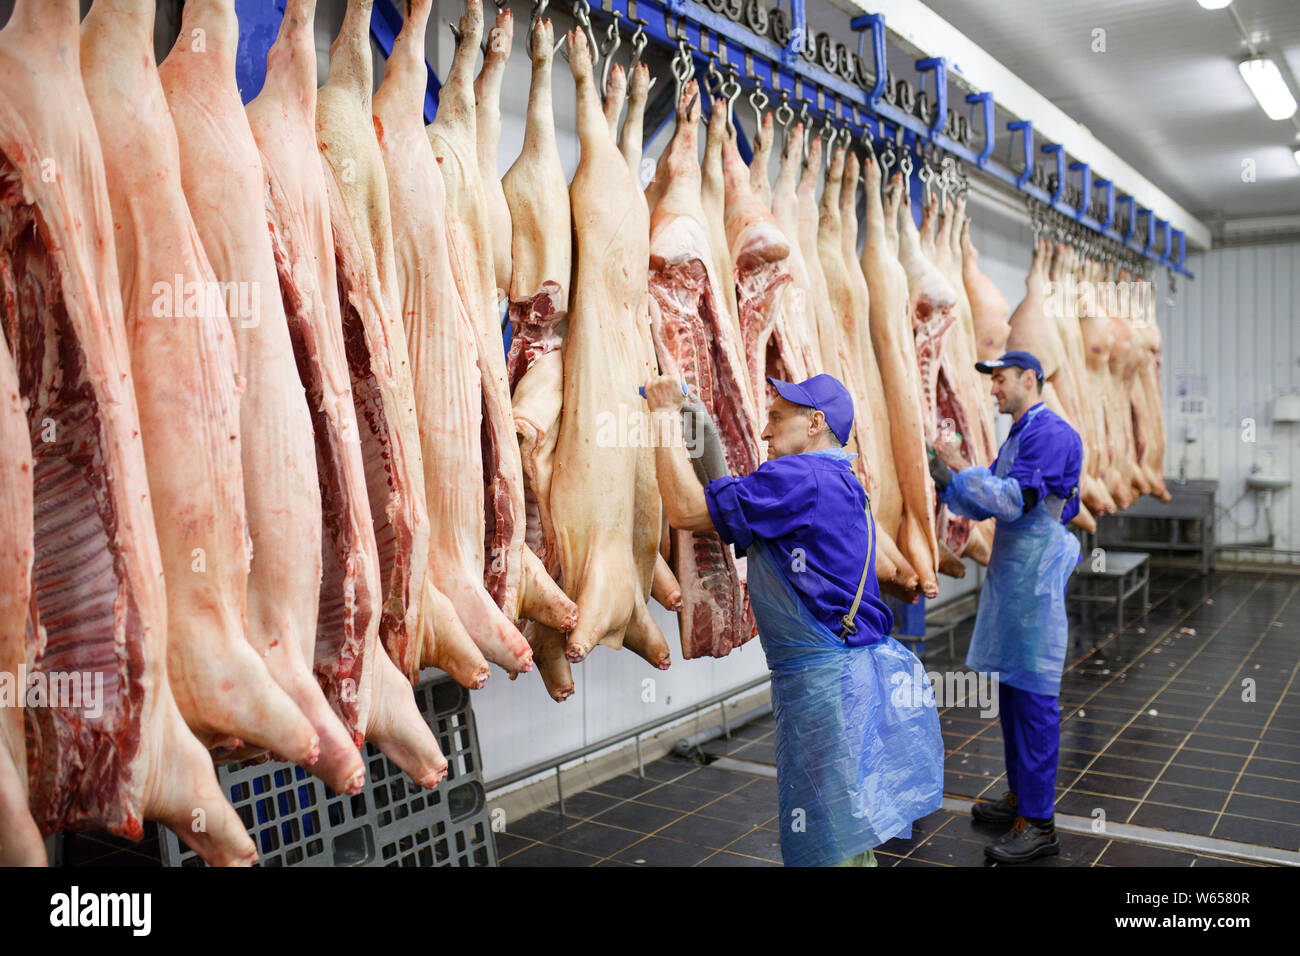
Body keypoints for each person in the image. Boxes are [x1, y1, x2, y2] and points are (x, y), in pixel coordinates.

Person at [643, 372, 943, 868]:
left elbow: (684, 510)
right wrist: (694, 421)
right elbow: (729, 498)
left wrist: (658, 416)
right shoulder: (839, 478)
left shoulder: (799, 477)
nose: (764, 432)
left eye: (776, 418)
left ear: (815, 423)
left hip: (826, 686)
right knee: (846, 822)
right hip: (845, 677)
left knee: (825, 835)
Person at [928, 349, 1083, 864]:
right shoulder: (1019, 435)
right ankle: (1020, 800)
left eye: (1000, 381)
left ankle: (1040, 825)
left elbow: (1014, 502)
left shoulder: (1052, 433)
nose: (993, 390)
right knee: (1013, 695)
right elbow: (985, 500)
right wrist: (948, 481)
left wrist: (957, 466)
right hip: (1015, 579)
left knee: (1035, 701)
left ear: (1029, 380)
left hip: (1035, 582)